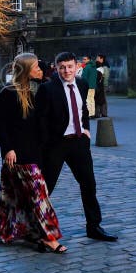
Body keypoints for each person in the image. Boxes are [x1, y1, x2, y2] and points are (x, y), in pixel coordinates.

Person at [35, 51, 118, 242]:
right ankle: (35, 228)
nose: (66, 71)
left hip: (79, 142)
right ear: (56, 68)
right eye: (62, 67)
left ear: (76, 67)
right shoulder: (47, 89)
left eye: (70, 67)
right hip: (56, 144)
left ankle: (94, 226)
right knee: (46, 187)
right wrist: (47, 142)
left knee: (89, 184)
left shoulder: (81, 84)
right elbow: (40, 120)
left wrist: (86, 129)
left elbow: (84, 109)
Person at [0, 53, 65, 252]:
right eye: (36, 67)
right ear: (25, 70)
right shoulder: (8, 92)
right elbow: (1, 125)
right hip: (17, 154)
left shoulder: (42, 89)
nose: (40, 69)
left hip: (37, 152)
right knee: (39, 196)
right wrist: (7, 149)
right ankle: (50, 237)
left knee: (12, 196)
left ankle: (4, 227)